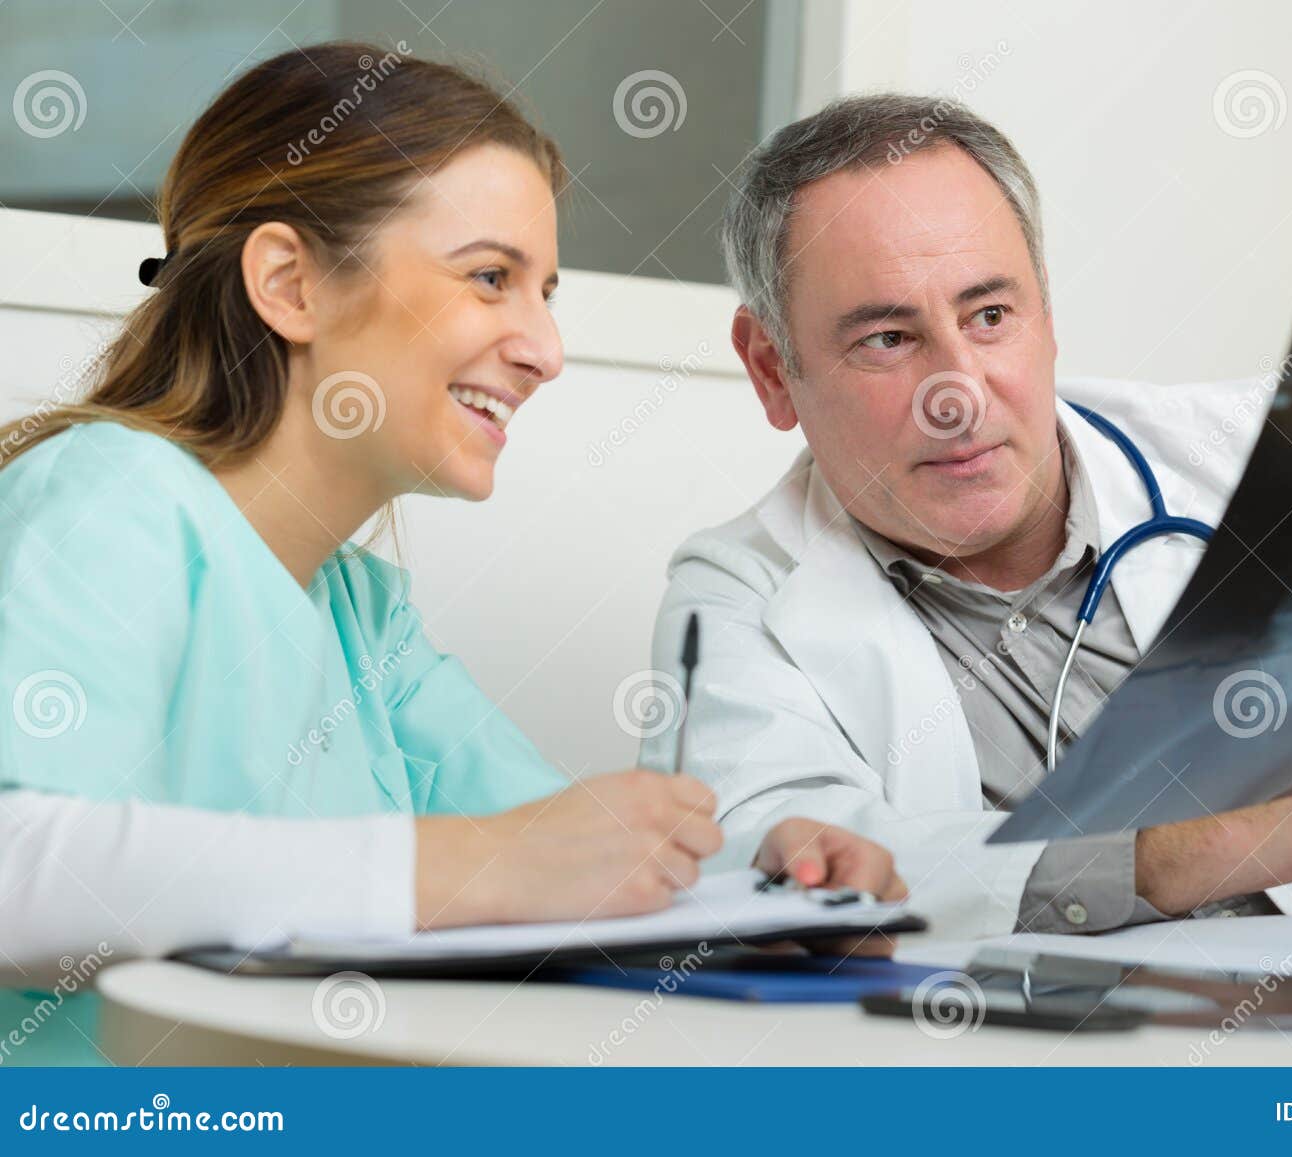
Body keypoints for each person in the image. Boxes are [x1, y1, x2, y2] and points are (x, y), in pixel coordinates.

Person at [0, 44, 901, 1066]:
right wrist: (462, 866)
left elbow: (554, 853)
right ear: (290, 284)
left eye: (544, 291)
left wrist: (761, 886)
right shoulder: (106, 502)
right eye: (489, 277)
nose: (545, 349)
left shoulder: (363, 617)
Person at [643, 93, 1292, 940]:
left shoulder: (1287, 458)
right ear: (772, 368)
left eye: (989, 316)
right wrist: (1180, 850)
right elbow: (769, 874)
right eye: (888, 338)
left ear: (1047, 314)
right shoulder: (741, 597)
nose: (958, 394)